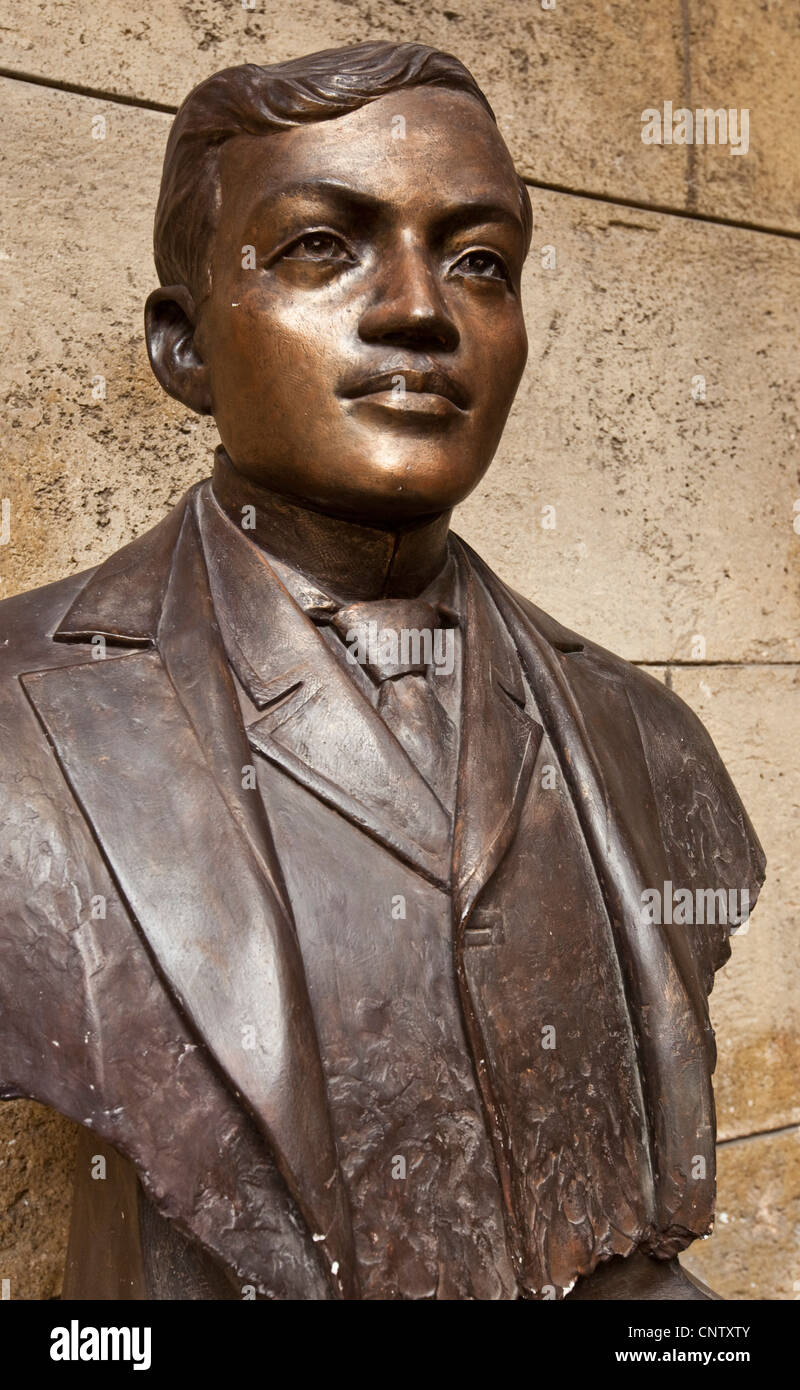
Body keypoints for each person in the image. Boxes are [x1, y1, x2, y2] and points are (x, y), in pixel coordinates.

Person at [0, 42, 764, 1300]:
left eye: (478, 262)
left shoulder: (647, 742)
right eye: (320, 246)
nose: (420, 310)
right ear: (184, 346)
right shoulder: (28, 716)